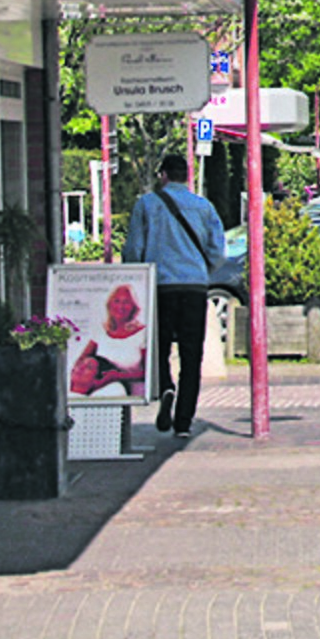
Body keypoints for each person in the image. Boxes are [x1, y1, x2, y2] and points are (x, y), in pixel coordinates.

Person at [124, 153, 224, 440]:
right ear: (186, 175)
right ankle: (183, 421)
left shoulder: (147, 205)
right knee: (193, 355)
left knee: (160, 346)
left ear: (163, 175)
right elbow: (217, 251)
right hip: (194, 286)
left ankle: (165, 385)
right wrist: (202, 268)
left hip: (161, 286)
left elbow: (134, 250)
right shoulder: (204, 207)